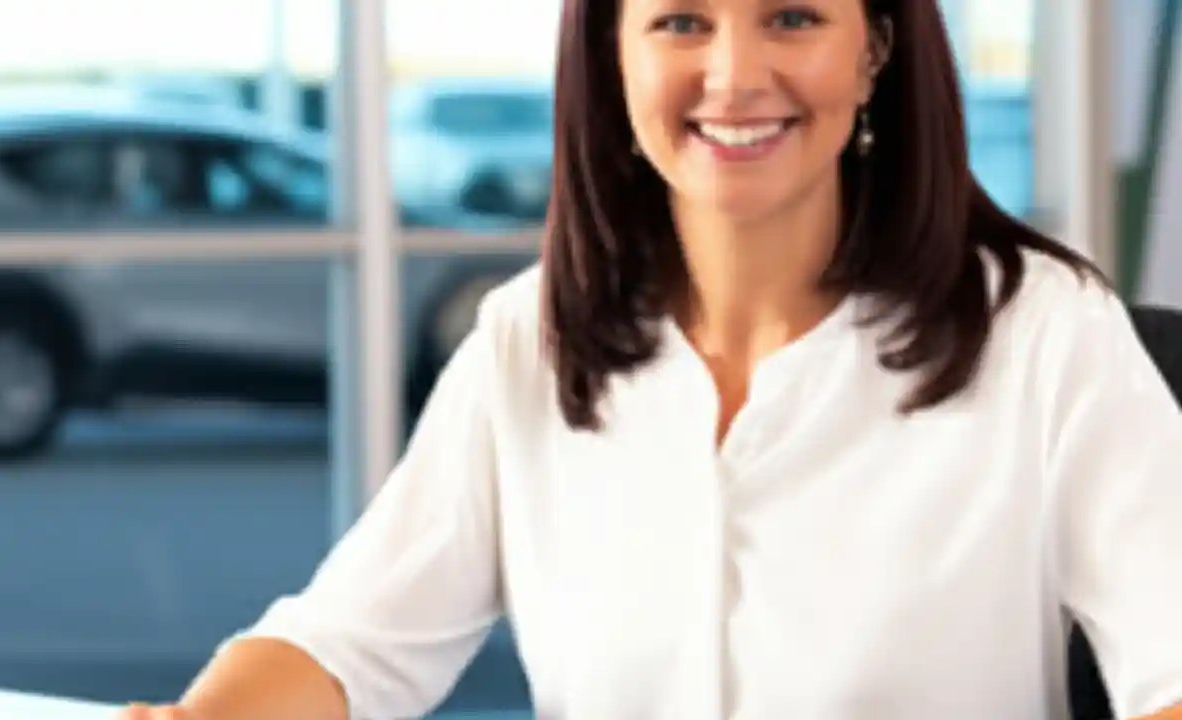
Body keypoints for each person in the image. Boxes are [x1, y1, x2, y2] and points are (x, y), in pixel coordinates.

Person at [117, 0, 1182, 718]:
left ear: (874, 49)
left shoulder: (1046, 331)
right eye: (678, 20)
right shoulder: (528, 341)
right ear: (613, 56)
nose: (732, 74)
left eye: (791, 17)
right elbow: (349, 644)